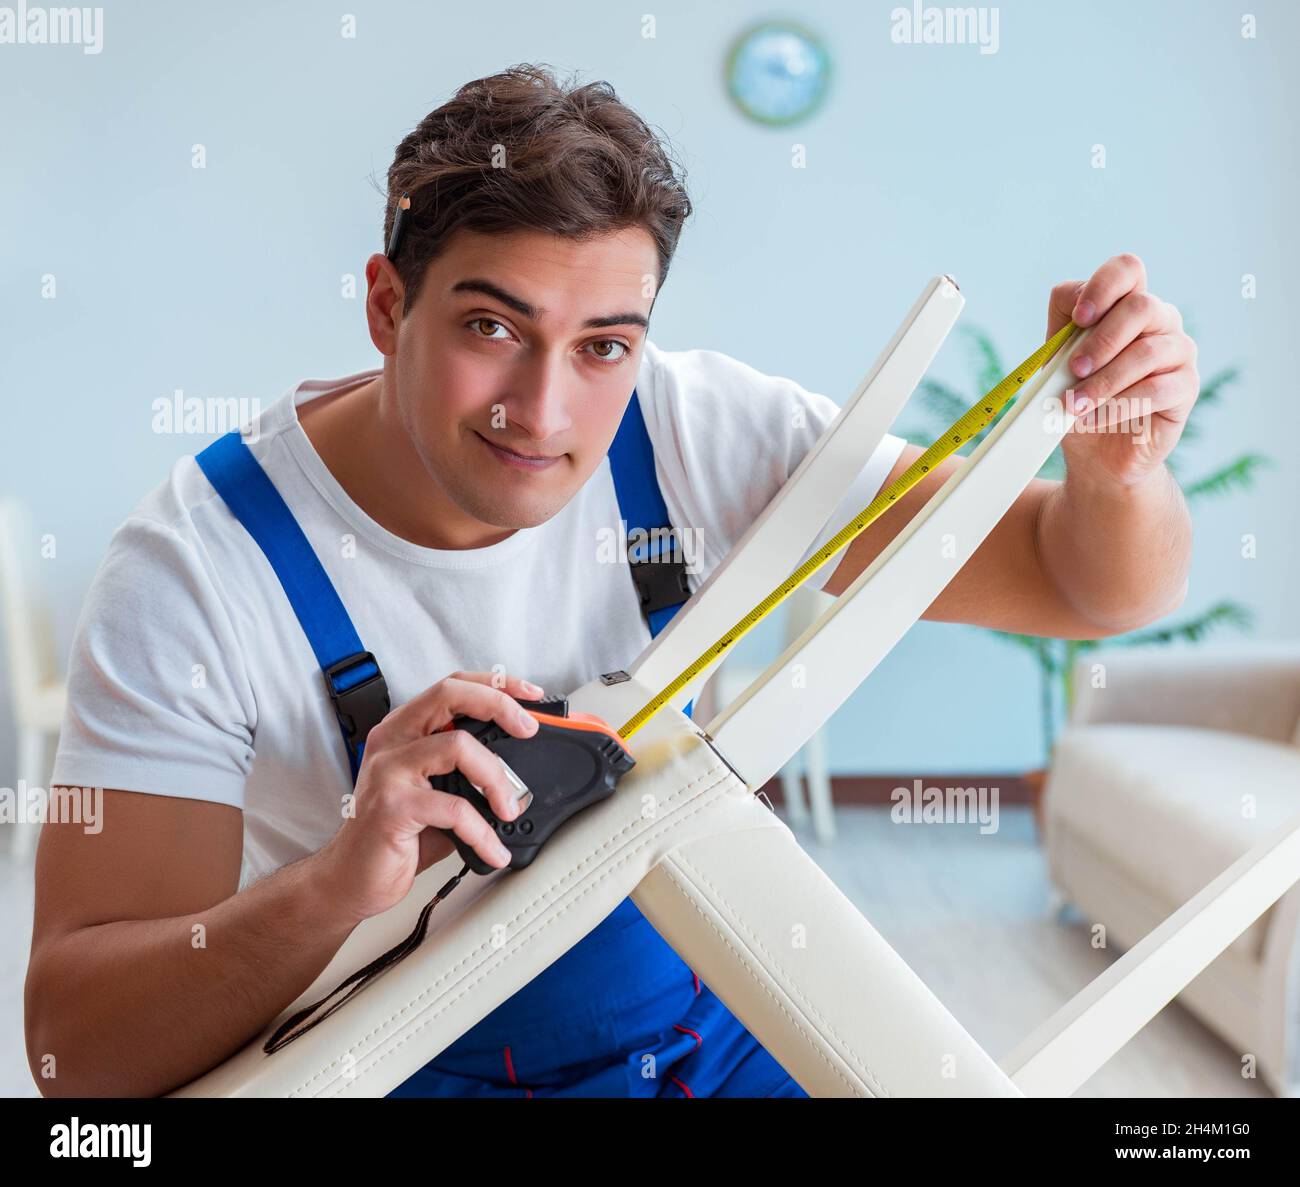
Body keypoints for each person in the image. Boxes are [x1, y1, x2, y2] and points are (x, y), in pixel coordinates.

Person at [25, 63, 1199, 1099]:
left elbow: (1079, 584)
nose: (544, 412)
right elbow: (78, 1050)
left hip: (703, 1022)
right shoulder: (195, 569)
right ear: (388, 304)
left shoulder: (698, 431)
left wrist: (1118, 472)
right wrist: (343, 879)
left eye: (603, 346)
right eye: (491, 326)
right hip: (406, 1048)